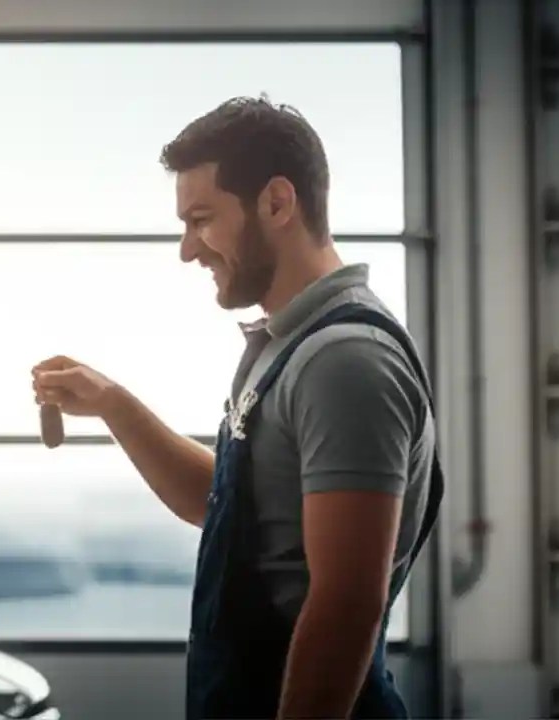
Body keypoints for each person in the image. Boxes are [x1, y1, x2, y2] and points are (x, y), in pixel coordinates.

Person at [32, 96, 443, 720]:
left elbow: (347, 603)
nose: (187, 250)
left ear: (277, 203)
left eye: (201, 219)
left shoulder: (345, 361)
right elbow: (225, 505)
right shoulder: (285, 345)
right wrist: (113, 404)